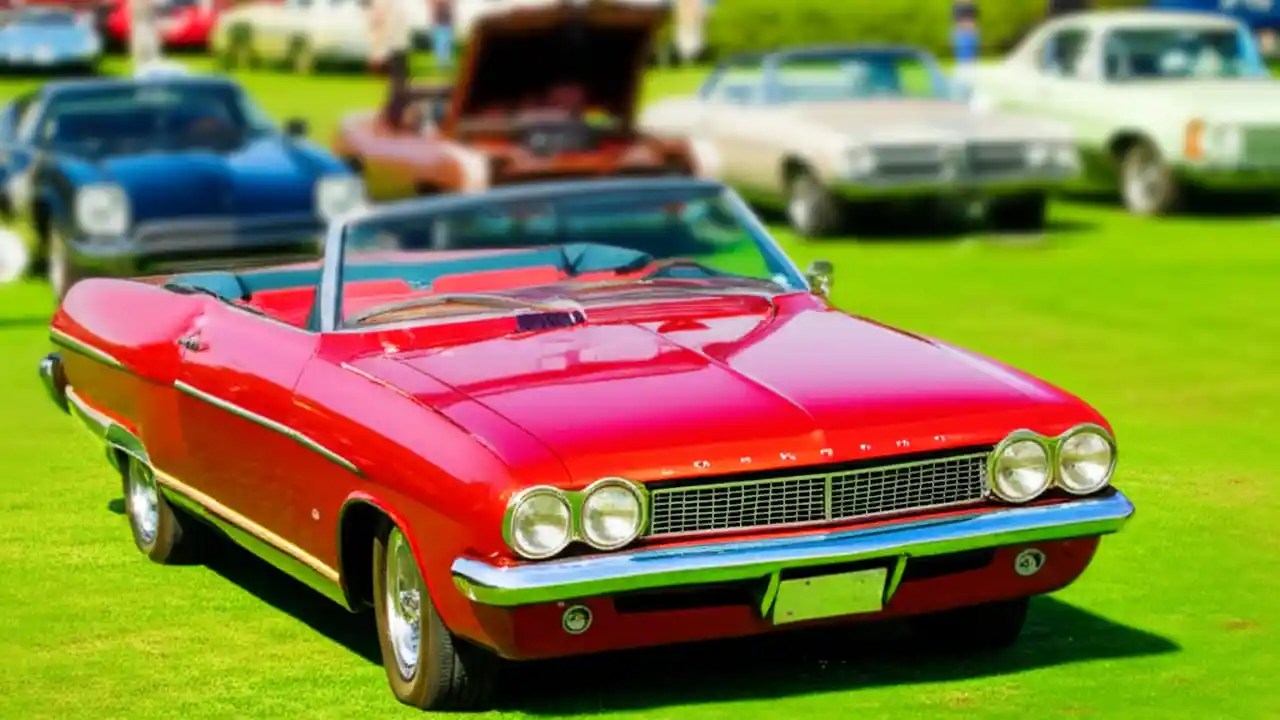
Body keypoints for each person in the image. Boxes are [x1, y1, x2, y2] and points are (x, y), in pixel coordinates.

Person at [369, 0, 413, 127]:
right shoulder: (393, 4)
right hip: (398, 48)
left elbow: (381, 27)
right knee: (397, 86)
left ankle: (393, 118)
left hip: (393, 48)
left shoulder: (386, 4)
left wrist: (377, 53)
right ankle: (393, 117)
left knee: (397, 87)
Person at [951, 0, 979, 98]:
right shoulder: (957, 6)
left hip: (970, 33)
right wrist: (964, 27)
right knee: (962, 61)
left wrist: (971, 28)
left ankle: (969, 88)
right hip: (961, 33)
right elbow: (956, 21)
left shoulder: (971, 5)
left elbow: (974, 20)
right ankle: (961, 88)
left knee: (970, 61)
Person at [432, 0, 454, 71]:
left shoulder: (446, 5)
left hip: (446, 27)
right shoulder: (439, 6)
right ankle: (441, 63)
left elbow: (450, 16)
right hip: (441, 27)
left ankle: (445, 62)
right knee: (441, 45)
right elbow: (435, 17)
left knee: (446, 45)